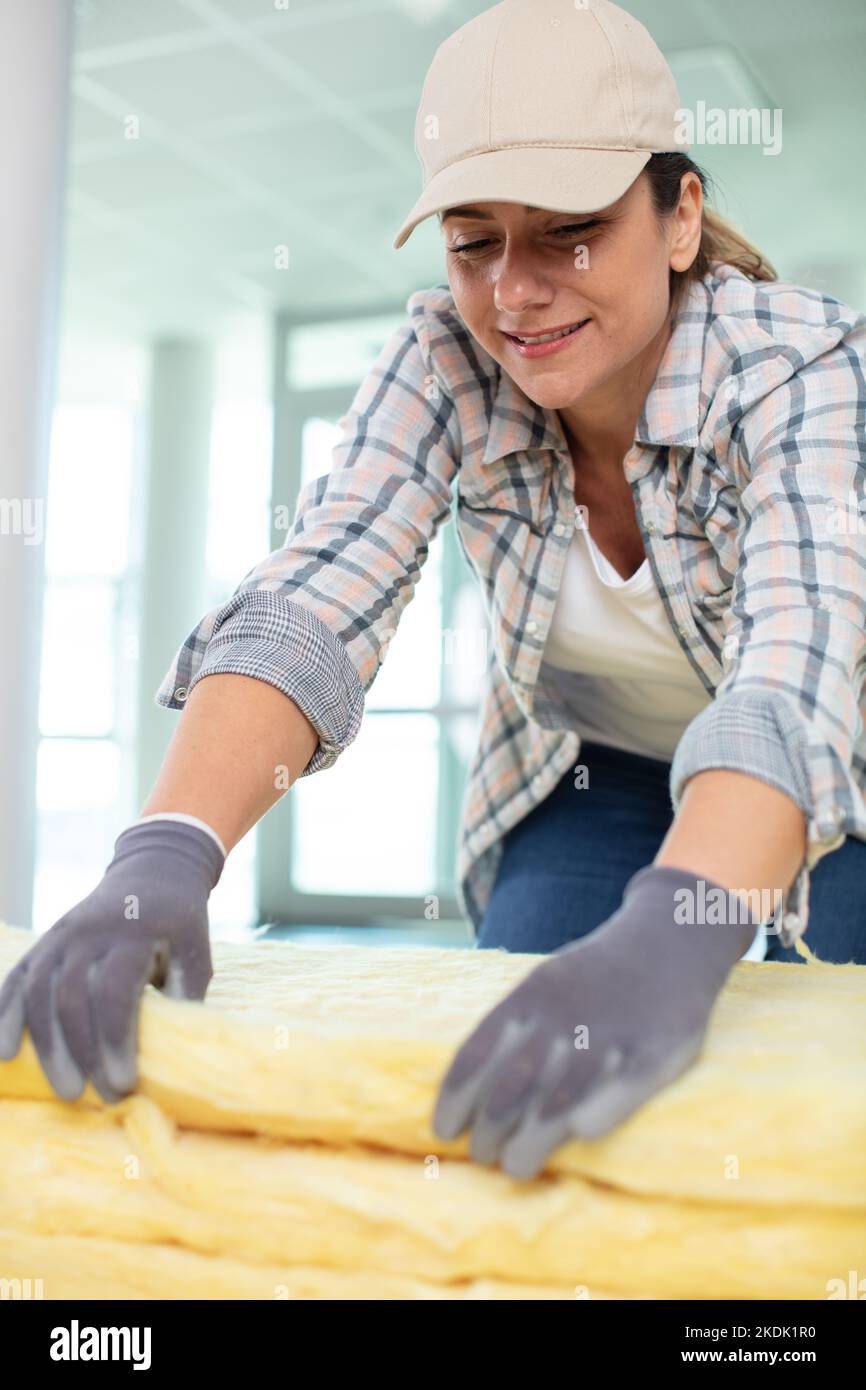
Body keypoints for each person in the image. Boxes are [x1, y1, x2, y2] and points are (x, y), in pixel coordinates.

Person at [2, 0, 865, 1183]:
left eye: (569, 232)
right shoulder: (444, 360)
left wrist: (677, 930)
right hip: (586, 767)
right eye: (474, 241)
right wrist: (166, 848)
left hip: (832, 776)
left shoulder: (795, 363)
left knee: (821, 1060)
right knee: (528, 1057)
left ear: (679, 220)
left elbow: (793, 659)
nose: (515, 292)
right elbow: (322, 586)